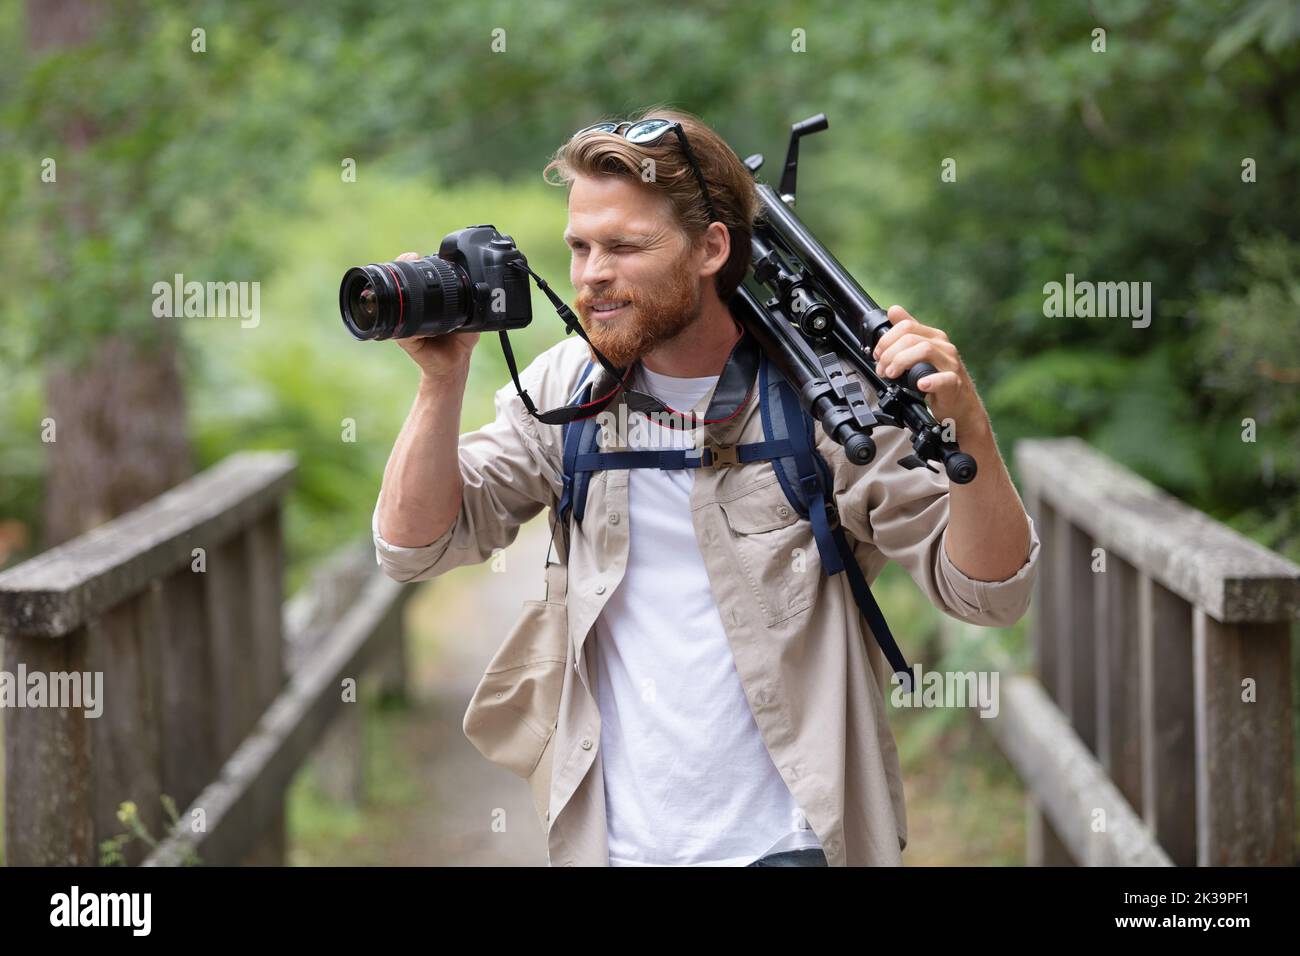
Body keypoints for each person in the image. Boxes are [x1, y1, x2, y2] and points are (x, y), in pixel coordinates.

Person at [372, 105, 1041, 867]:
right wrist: (440, 380)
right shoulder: (567, 390)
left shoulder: (821, 398)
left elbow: (990, 595)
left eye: (625, 246)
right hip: (610, 845)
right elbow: (413, 547)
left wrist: (972, 434)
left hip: (789, 843)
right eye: (581, 247)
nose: (593, 274)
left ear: (709, 248)